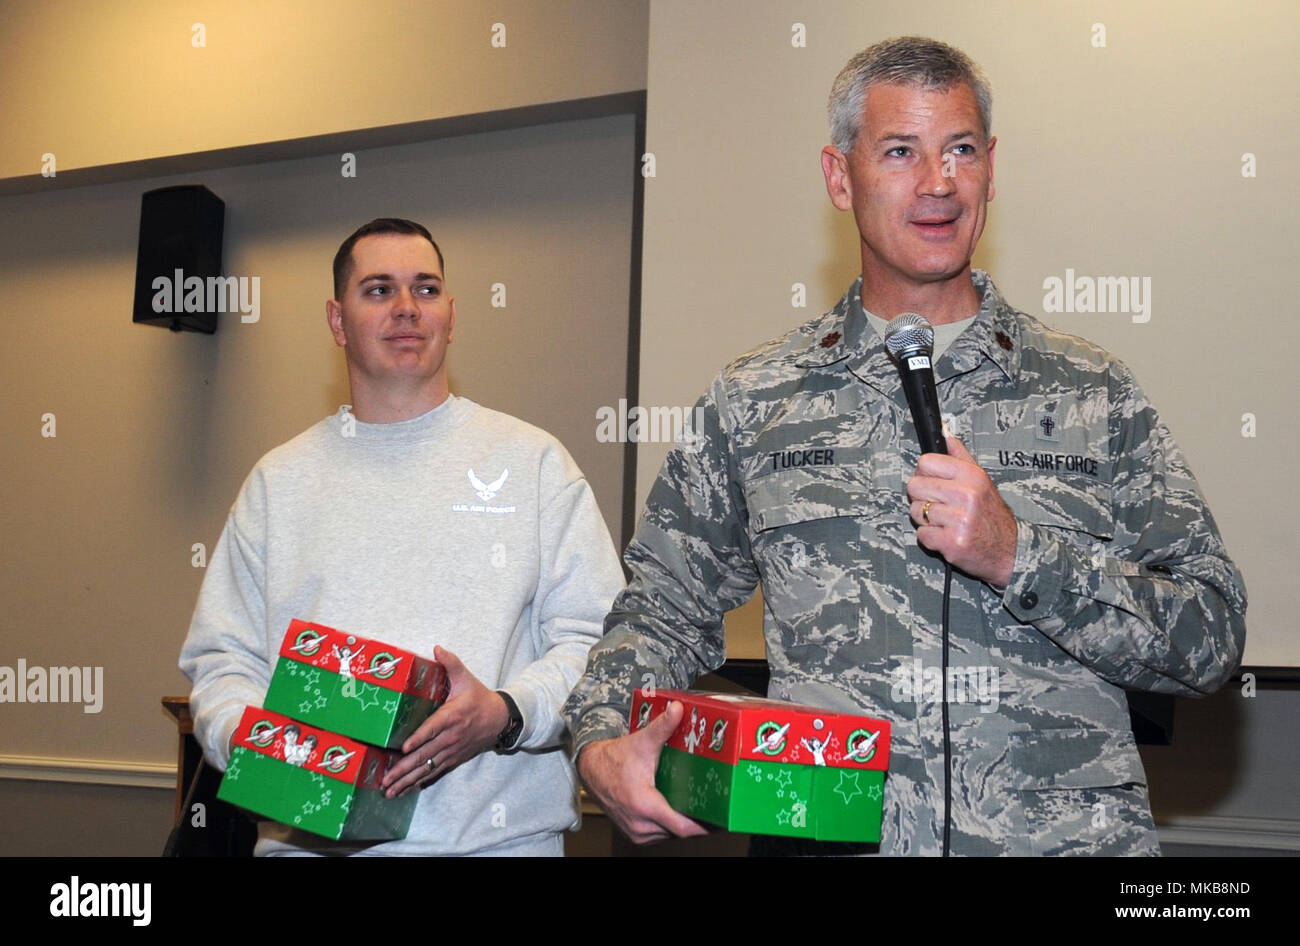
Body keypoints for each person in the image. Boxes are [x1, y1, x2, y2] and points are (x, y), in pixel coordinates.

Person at [563, 37, 1247, 856]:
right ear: (839, 177)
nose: (938, 183)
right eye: (900, 152)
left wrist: (1018, 555)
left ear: (991, 168)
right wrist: (600, 740)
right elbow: (660, 611)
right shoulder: (755, 401)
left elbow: (1209, 635)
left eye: (961, 150)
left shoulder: (1092, 392)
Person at [180, 218, 623, 856]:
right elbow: (223, 665)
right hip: (309, 846)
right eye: (380, 290)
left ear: (452, 313)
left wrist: (505, 714)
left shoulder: (533, 463)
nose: (408, 308)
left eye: (426, 288)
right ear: (337, 321)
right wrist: (266, 746)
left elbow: (596, 647)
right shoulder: (279, 482)